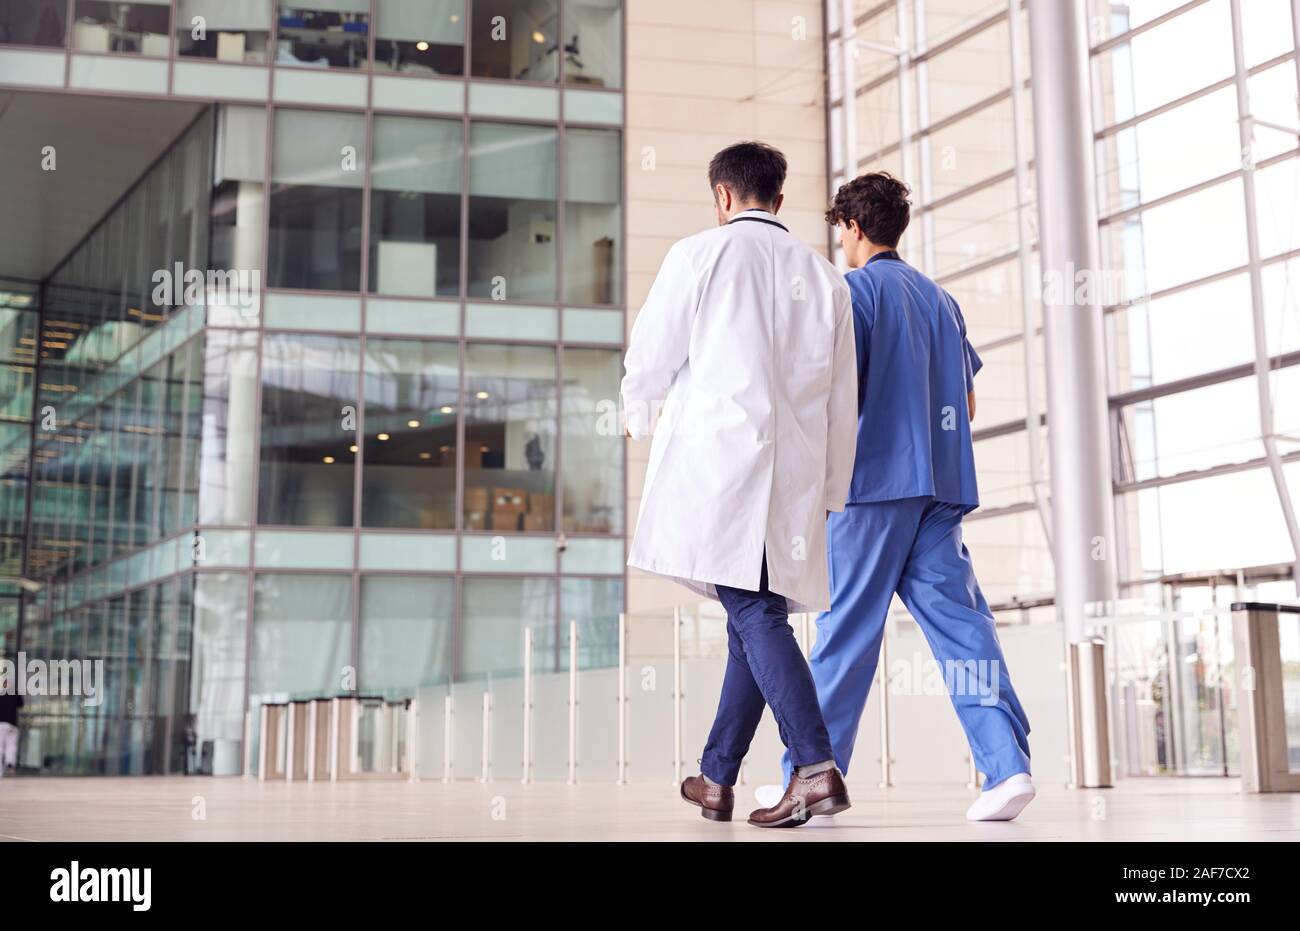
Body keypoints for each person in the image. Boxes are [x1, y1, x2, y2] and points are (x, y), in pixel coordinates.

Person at [755, 172, 1035, 823]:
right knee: (964, 632)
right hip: (939, 491)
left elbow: (833, 395)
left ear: (852, 227)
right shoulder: (941, 301)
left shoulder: (853, 293)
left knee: (844, 635)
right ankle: (1007, 767)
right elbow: (965, 401)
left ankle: (811, 777)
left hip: (873, 491)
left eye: (841, 229)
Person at [621, 141, 859, 827]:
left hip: (720, 466)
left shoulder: (698, 255)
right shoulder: (825, 279)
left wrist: (636, 414)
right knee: (751, 619)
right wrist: (831, 488)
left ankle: (815, 768)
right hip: (793, 476)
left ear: (723, 196)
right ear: (778, 199)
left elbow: (654, 348)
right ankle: (717, 776)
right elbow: (845, 400)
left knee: (754, 613)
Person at [0, 688, 22, 778]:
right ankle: (10, 762)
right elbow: (21, 705)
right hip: (12, 724)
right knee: (11, 745)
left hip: (1, 723)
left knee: (0, 747)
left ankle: (0, 770)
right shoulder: (16, 694)